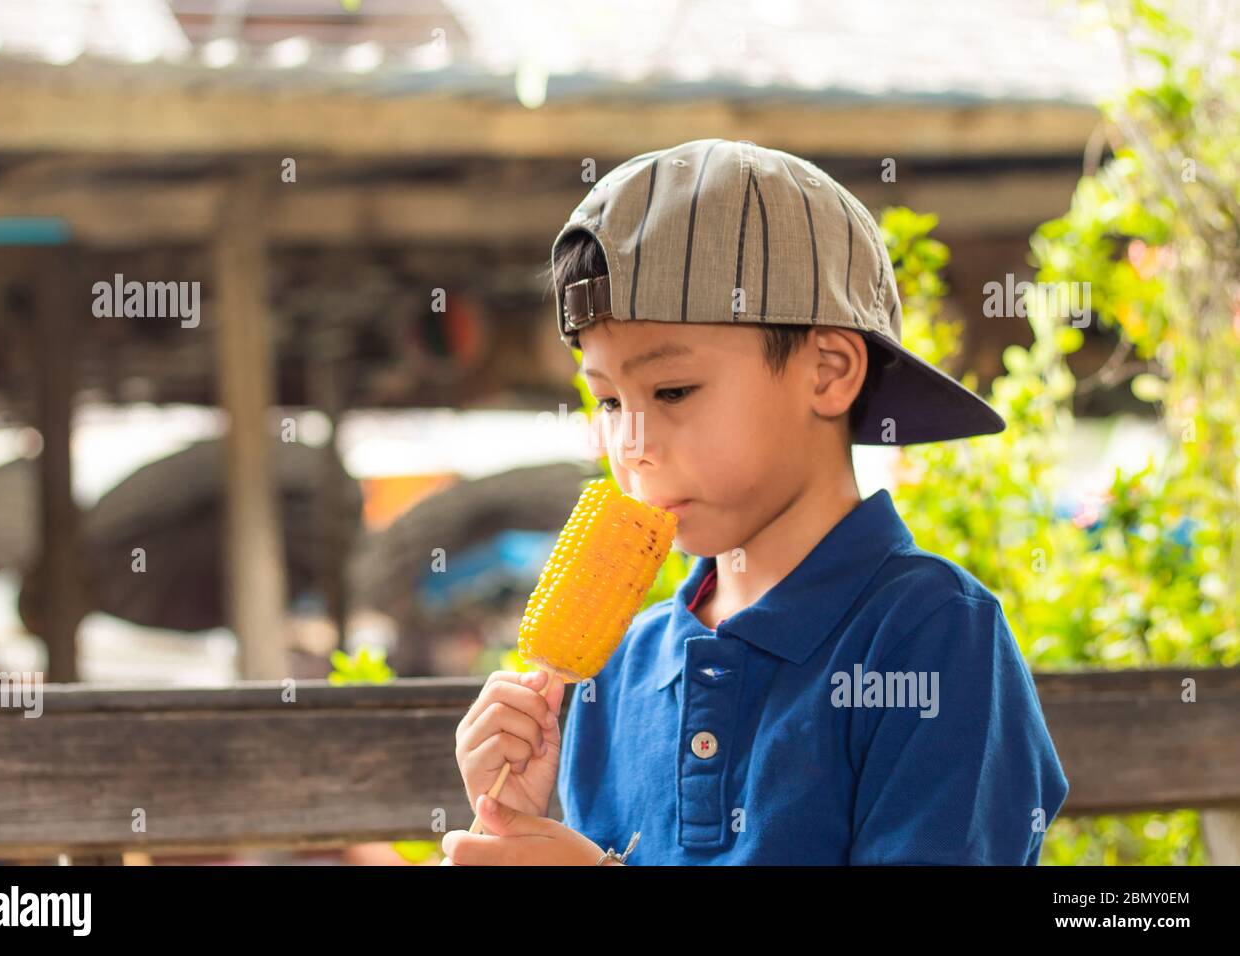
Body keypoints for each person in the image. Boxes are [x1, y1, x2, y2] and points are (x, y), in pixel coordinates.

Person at [446, 139, 1069, 865]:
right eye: (609, 400)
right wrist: (512, 822)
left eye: (671, 390)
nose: (632, 443)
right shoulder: (613, 673)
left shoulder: (931, 635)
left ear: (829, 372)